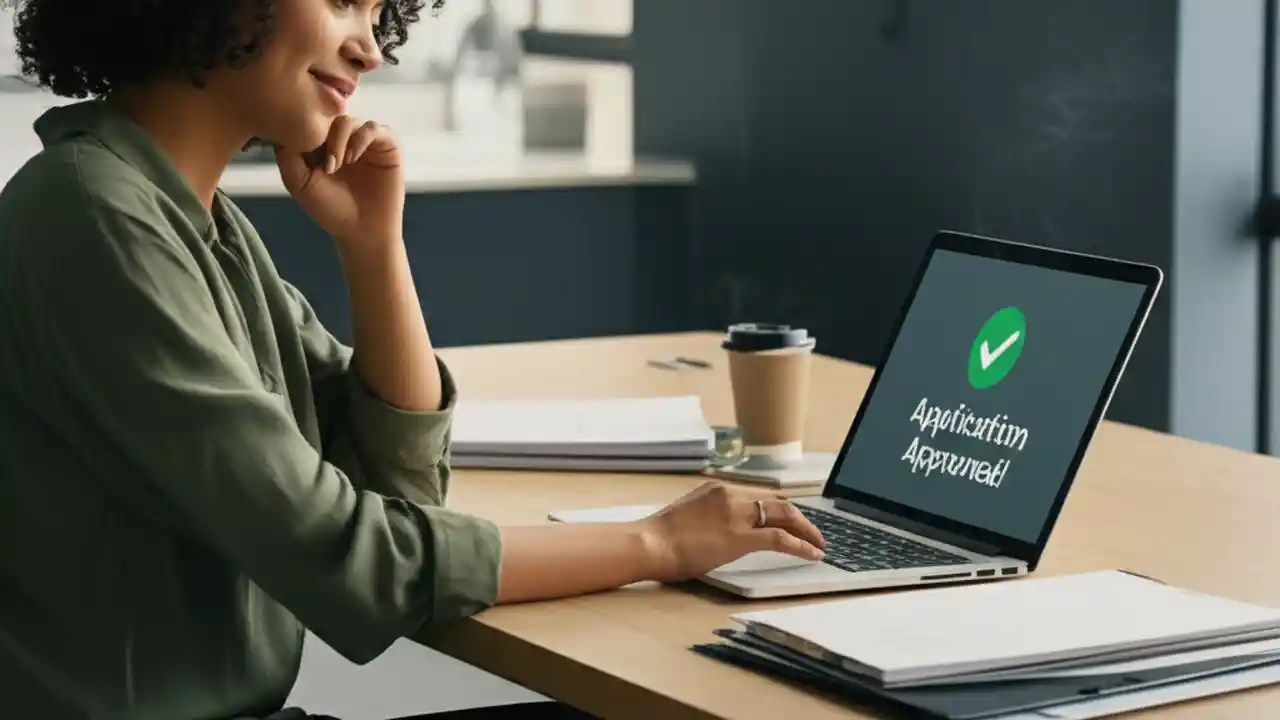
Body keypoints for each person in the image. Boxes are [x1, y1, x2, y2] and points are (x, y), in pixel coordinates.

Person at [0, 1, 827, 719]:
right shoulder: (96, 217)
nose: (371, 49)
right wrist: (656, 544)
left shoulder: (191, 221)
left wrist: (374, 247)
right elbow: (354, 559)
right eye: (342, 1)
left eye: (377, 13)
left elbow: (397, 489)